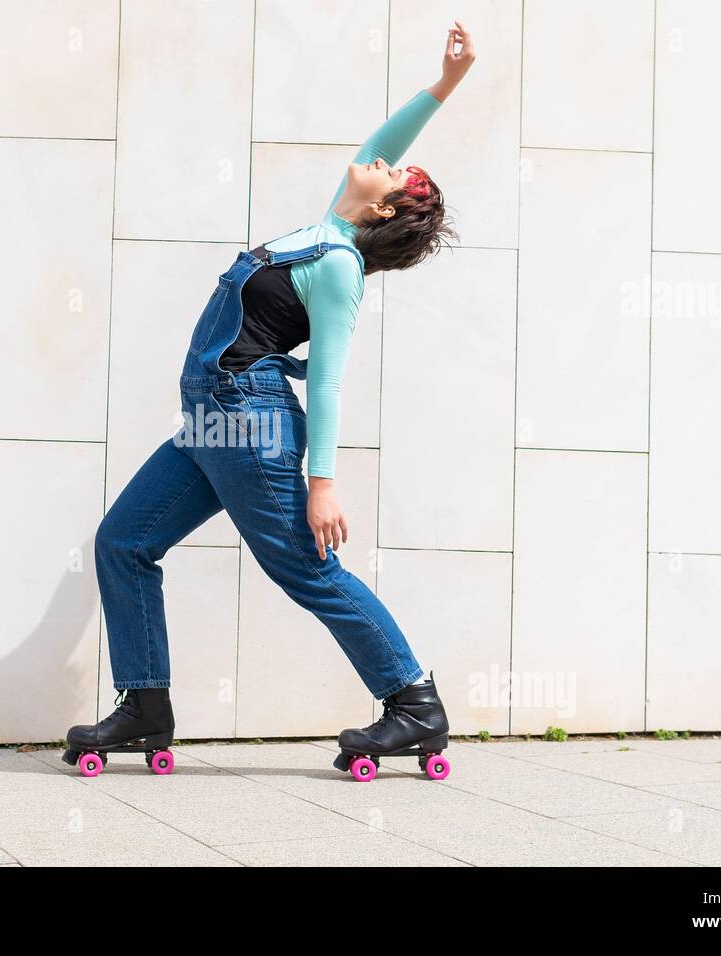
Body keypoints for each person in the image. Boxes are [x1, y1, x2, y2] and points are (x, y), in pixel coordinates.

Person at [66, 23, 477, 775]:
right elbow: (384, 137)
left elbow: (327, 379)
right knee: (123, 543)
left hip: (249, 418)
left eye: (394, 175)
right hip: (210, 420)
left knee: (306, 569)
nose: (381, 162)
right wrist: (446, 83)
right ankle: (145, 703)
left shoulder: (341, 267)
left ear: (384, 211)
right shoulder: (324, 226)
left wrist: (322, 483)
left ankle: (413, 702)